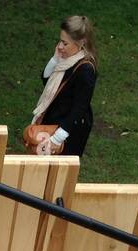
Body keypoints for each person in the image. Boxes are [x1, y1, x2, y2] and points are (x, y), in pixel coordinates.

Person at [28, 15, 98, 157]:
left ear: (81, 43)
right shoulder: (67, 61)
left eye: (65, 44)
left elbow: (80, 108)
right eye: (60, 41)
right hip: (53, 122)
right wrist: (55, 60)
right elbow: (47, 81)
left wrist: (57, 139)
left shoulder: (85, 70)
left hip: (67, 132)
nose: (60, 46)